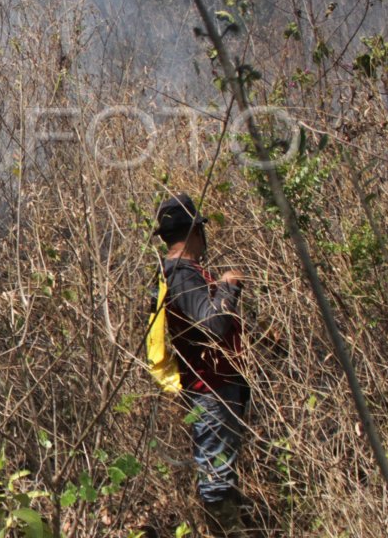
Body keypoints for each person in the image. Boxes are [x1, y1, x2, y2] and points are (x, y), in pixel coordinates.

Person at [153, 193, 249, 532]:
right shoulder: (180, 273)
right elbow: (212, 324)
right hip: (210, 391)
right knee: (216, 482)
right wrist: (228, 286)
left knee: (221, 475)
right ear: (196, 230)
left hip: (215, 388)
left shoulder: (182, 272)